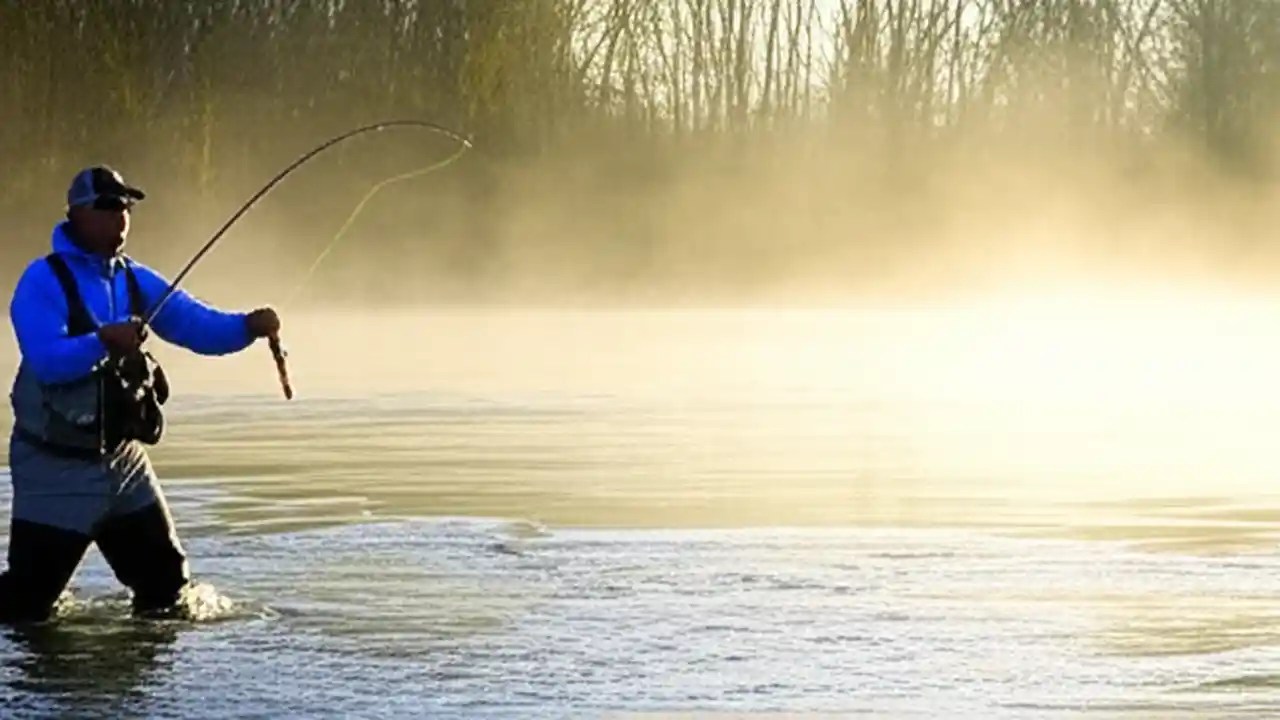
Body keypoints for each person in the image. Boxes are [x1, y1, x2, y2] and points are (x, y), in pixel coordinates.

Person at [0, 165, 281, 622]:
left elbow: (195, 324)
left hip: (123, 464)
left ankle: (147, 686)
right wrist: (103, 340)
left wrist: (247, 326)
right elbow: (47, 362)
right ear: (77, 214)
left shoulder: (132, 278)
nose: (121, 217)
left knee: (167, 587)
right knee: (26, 606)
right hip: (55, 467)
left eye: (126, 207)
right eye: (109, 207)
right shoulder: (42, 281)